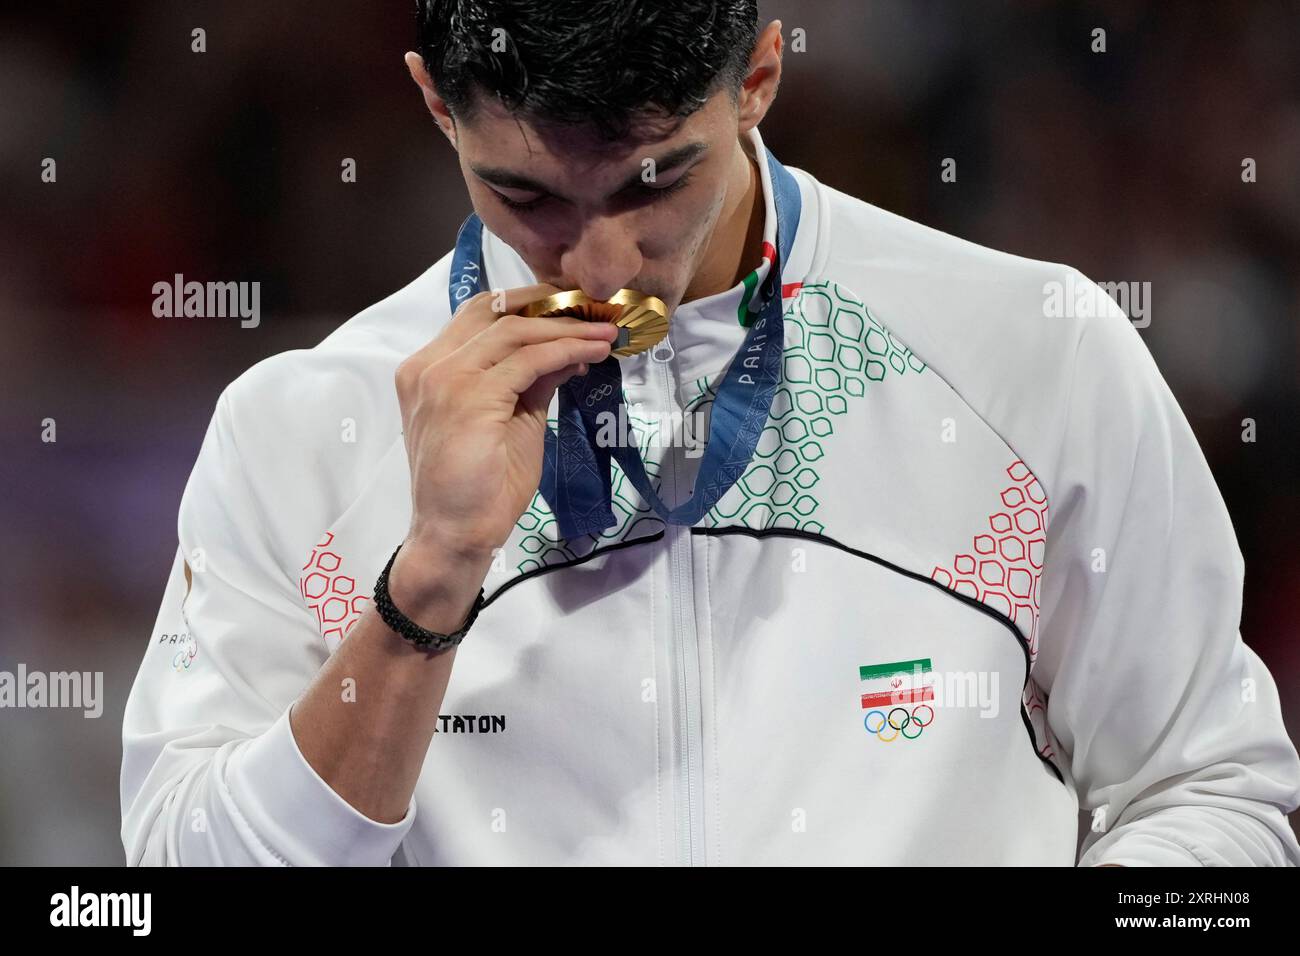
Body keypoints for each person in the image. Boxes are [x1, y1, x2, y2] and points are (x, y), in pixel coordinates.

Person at [120, 0, 1300, 866]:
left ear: (760, 77)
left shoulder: (1033, 352)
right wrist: (424, 583)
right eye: (524, 195)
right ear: (434, 101)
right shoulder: (301, 428)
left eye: (651, 182)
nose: (593, 262)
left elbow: (1213, 797)